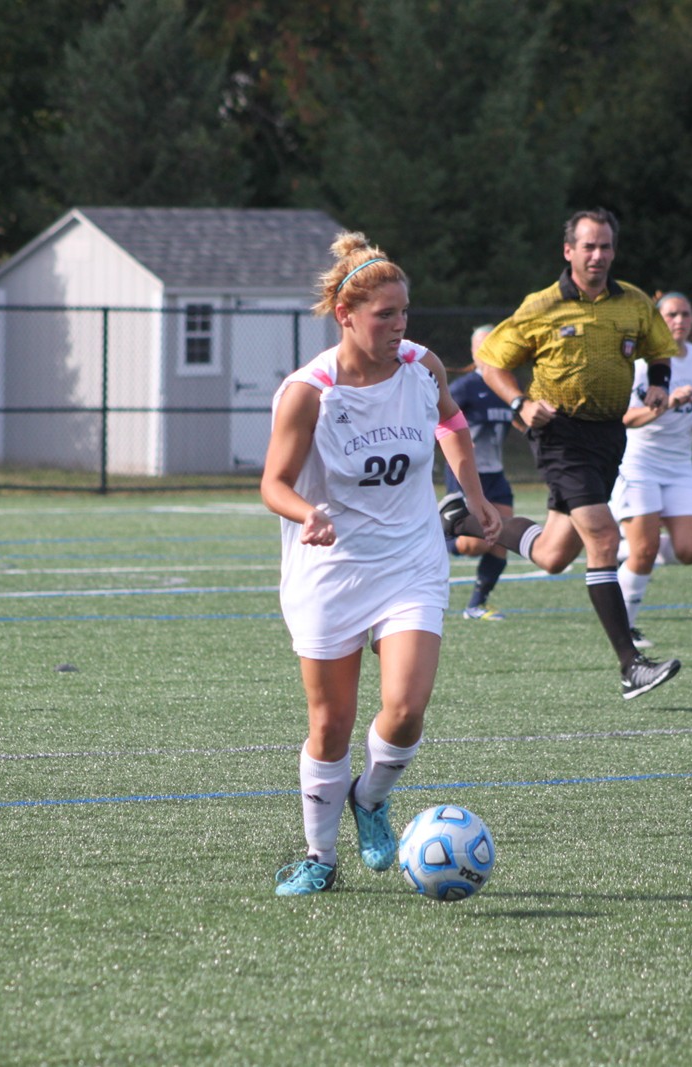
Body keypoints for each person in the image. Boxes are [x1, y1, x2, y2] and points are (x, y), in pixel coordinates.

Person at [261, 232, 501, 896]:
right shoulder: (310, 391)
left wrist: (472, 494)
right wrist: (305, 512)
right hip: (332, 570)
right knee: (331, 723)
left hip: (411, 560)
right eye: (383, 315)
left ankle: (370, 798)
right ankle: (319, 855)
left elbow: (451, 421)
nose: (398, 327)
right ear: (346, 315)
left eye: (403, 313)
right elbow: (273, 481)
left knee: (406, 705)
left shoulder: (423, 365)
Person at [442, 208, 682, 699]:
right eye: (589, 246)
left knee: (554, 554)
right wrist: (520, 403)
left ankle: (460, 520)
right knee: (603, 535)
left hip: (609, 436)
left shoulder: (634, 302)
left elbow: (659, 350)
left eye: (606, 246)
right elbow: (490, 361)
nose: (598, 255)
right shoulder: (542, 305)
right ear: (568, 251)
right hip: (560, 434)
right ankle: (629, 664)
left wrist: (659, 386)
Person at [612, 292, 692, 649]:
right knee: (643, 555)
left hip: (679, 465)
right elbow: (626, 418)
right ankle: (623, 632)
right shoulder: (642, 363)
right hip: (639, 462)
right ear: (658, 320)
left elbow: (691, 411)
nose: (679, 320)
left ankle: (628, 548)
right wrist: (667, 404)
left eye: (685, 314)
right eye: (671, 314)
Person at [441, 324, 518, 621]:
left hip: (495, 476)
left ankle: (476, 605)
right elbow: (437, 421)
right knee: (476, 544)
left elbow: (520, 418)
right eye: (483, 347)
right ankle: (437, 535)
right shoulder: (463, 389)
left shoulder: (504, 386)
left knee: (503, 539)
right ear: (474, 352)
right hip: (467, 476)